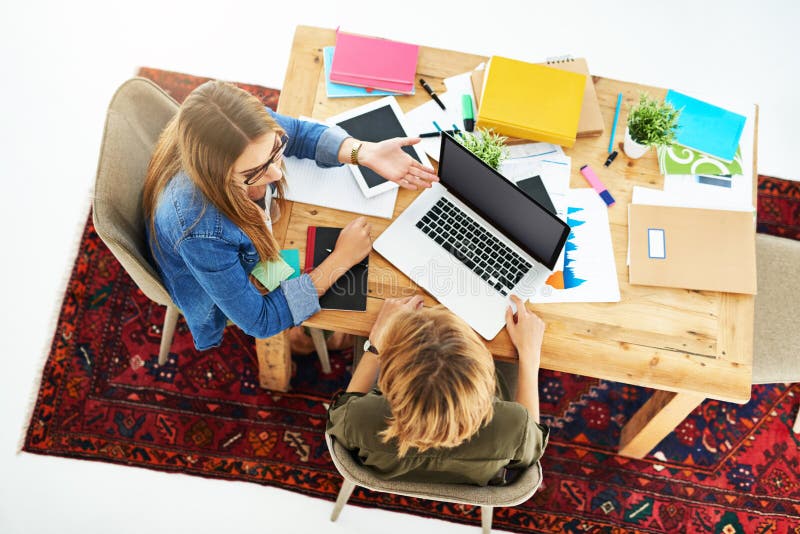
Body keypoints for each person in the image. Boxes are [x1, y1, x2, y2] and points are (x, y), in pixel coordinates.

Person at [142, 80, 438, 351]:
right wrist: (340, 260)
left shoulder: (237, 128)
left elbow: (297, 133)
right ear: (216, 173)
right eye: (254, 172)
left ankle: (302, 314)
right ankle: (301, 330)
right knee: (335, 298)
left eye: (275, 149)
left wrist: (363, 152)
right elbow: (260, 321)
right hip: (227, 278)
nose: (274, 172)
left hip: (258, 242)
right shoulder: (200, 229)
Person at [326, 295, 549, 486]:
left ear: (389, 380)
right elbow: (531, 453)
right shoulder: (514, 427)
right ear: (484, 382)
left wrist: (376, 344)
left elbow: (343, 410)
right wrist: (530, 355)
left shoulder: (358, 420)